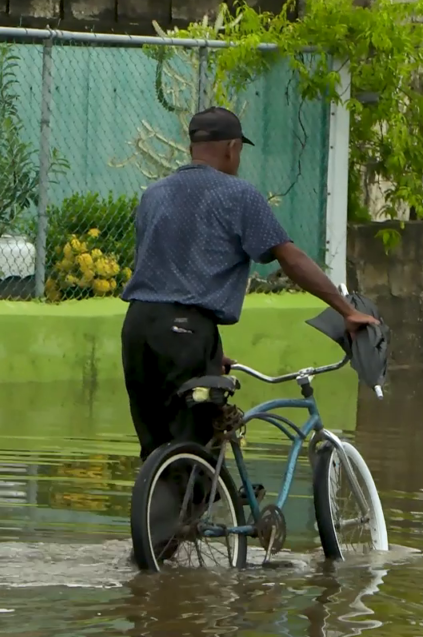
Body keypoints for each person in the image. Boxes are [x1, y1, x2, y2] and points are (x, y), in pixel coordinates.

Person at [120, 106, 379, 460]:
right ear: (231, 147)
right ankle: (195, 514)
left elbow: (168, 279)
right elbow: (291, 259)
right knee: (195, 450)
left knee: (158, 453)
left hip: (137, 330)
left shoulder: (154, 195)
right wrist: (346, 311)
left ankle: (157, 513)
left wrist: (206, 352)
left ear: (191, 147)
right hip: (187, 333)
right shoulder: (238, 195)